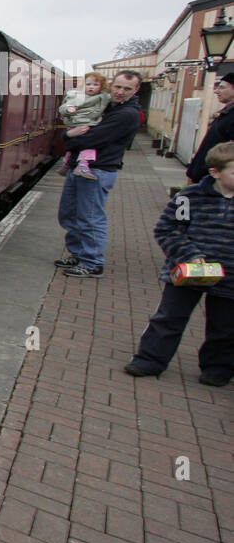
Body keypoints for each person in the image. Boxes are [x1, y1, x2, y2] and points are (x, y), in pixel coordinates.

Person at [125, 140, 234, 386]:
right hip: (189, 270)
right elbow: (168, 230)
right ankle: (150, 359)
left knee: (225, 326)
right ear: (215, 172)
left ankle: (218, 367)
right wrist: (188, 254)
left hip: (230, 276)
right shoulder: (189, 197)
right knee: (169, 317)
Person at [55, 71, 142, 277]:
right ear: (111, 85)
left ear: (136, 90)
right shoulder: (107, 106)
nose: (120, 92)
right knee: (70, 214)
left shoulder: (126, 114)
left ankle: (92, 262)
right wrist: (69, 134)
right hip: (81, 166)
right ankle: (78, 253)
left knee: (90, 217)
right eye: (118, 86)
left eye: (127, 89)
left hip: (98, 169)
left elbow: (87, 139)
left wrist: (68, 136)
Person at [57, 72, 110, 178]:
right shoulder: (76, 95)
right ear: (83, 85)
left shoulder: (102, 97)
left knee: (81, 145)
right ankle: (82, 165)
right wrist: (68, 109)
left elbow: (108, 98)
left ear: (101, 87)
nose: (91, 87)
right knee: (89, 146)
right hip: (77, 122)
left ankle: (67, 164)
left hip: (88, 123)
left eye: (95, 85)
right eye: (88, 84)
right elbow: (63, 108)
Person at [184, 71, 234, 184]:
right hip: (204, 177)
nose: (217, 91)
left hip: (213, 182)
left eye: (222, 88)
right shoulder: (226, 114)